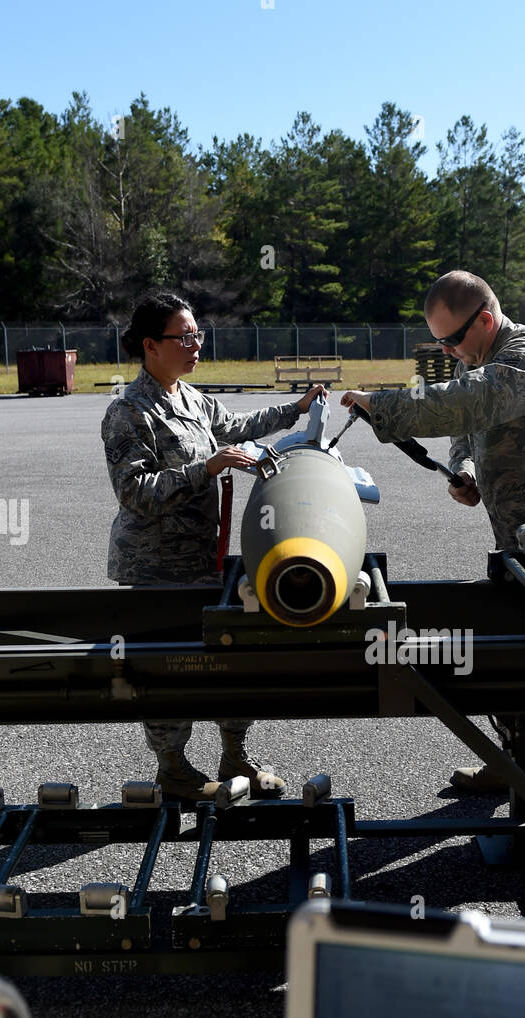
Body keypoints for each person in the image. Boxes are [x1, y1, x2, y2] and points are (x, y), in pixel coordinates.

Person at [341, 270, 525, 797]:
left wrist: (383, 405)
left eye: (452, 339)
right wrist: (465, 469)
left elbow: (464, 403)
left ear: (486, 320)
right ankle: (515, 760)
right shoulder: (484, 358)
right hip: (521, 533)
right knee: (515, 639)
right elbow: (468, 429)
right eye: (438, 342)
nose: (446, 352)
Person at [102, 291, 328, 802]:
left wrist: (296, 408)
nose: (194, 344)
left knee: (233, 658)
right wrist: (206, 468)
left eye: (197, 335)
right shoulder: (129, 412)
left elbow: (239, 427)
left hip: (205, 562)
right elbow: (134, 493)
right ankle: (174, 769)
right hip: (156, 567)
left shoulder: (192, 399)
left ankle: (234, 754)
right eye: (183, 337)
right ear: (149, 345)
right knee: (167, 670)